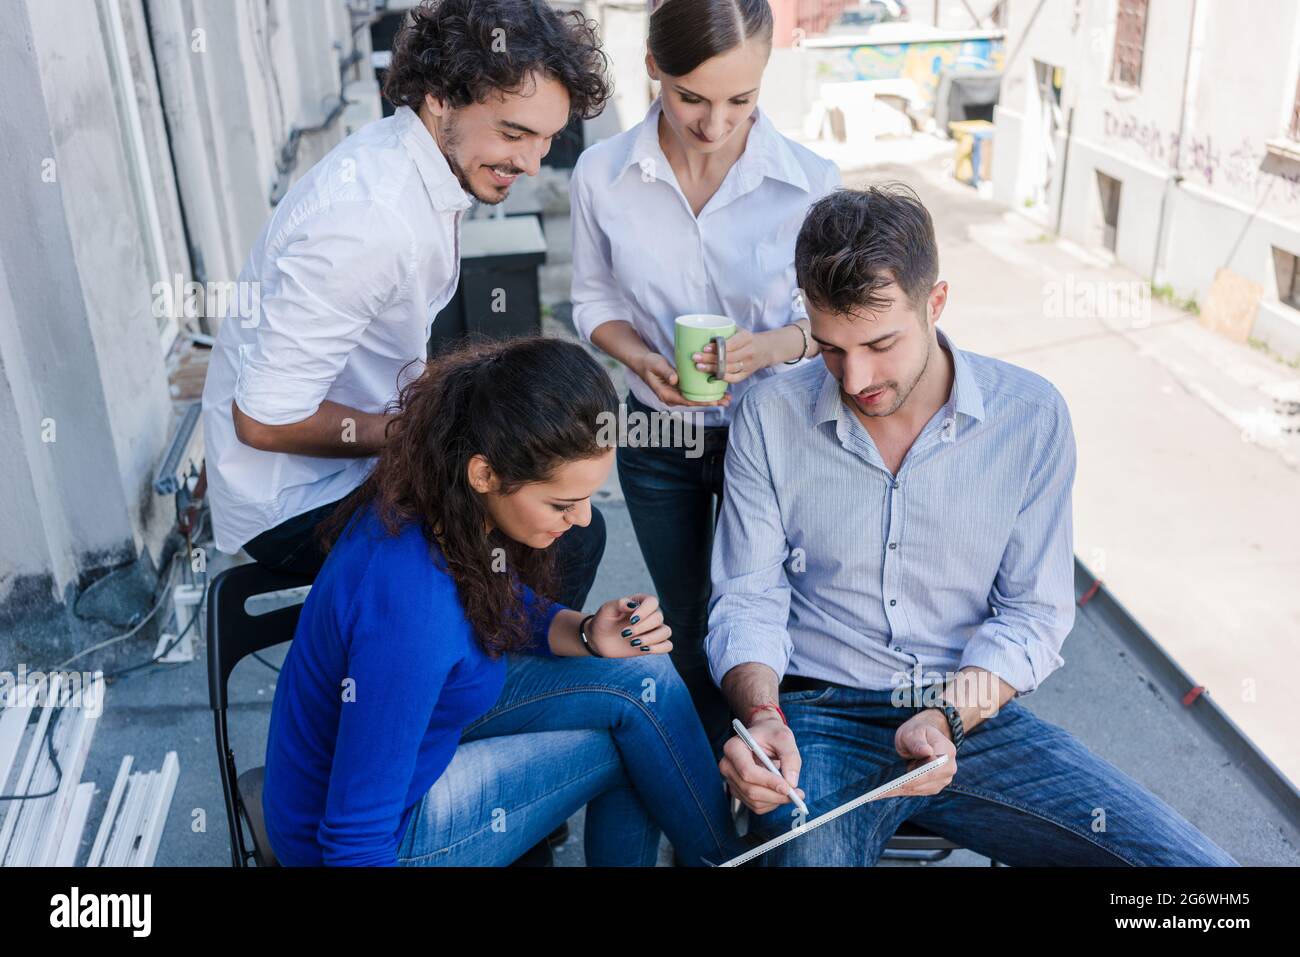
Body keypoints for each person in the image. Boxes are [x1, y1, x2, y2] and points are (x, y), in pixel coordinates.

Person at [707, 185, 1238, 866]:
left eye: (879, 342)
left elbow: (1033, 614)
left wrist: (947, 715)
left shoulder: (1030, 417)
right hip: (817, 717)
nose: (855, 375)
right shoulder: (768, 415)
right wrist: (762, 719)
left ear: (936, 303)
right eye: (832, 348)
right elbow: (748, 596)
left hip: (972, 715)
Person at [262, 337, 752, 866]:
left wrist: (586, 632)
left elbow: (496, 598)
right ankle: (733, 858)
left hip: (429, 729)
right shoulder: (412, 616)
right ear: (484, 473)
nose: (585, 518)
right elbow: (354, 840)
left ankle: (729, 857)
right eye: (563, 502)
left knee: (645, 678)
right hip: (382, 835)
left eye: (589, 496)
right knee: (639, 747)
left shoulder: (439, 500)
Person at [200, 0, 612, 610]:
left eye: (546, 139)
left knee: (551, 494)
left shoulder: (415, 163)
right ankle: (484, 699)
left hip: (343, 469)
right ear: (440, 97)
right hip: (293, 502)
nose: (530, 162)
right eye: (513, 132)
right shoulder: (369, 223)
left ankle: (477, 679)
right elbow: (263, 420)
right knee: (561, 539)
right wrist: (420, 435)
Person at [569, 0, 840, 754]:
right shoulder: (602, 173)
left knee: (771, 617)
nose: (715, 124)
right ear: (653, 66)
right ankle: (702, 785)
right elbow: (591, 301)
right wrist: (639, 357)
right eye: (691, 96)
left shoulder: (811, 182)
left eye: (741, 100)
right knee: (686, 624)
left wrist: (777, 345)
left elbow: (834, 322)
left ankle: (775, 772)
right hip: (657, 437)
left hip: (775, 434)